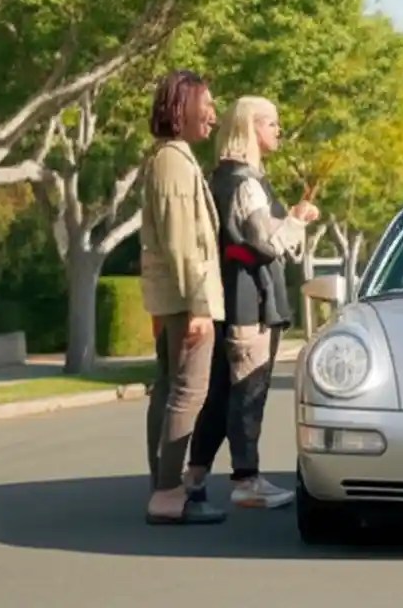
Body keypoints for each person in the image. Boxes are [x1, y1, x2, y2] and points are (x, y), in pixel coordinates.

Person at [183, 95, 319, 509]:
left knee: (223, 390)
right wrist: (296, 219)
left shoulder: (221, 176)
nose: (278, 131)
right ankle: (247, 479)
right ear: (252, 127)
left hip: (233, 294)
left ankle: (194, 475)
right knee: (248, 388)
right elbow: (266, 243)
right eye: (272, 124)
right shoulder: (246, 182)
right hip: (251, 299)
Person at [139, 69, 226, 525]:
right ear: (182, 108)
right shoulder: (173, 160)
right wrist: (196, 306)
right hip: (186, 300)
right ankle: (169, 492)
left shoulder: (175, 158)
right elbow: (178, 241)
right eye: (206, 105)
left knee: (172, 389)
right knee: (186, 392)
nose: (213, 114)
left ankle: (164, 487)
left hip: (179, 299)